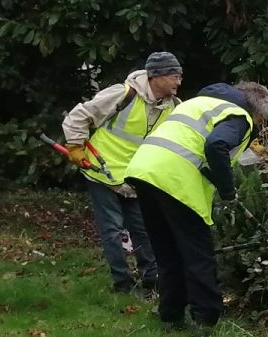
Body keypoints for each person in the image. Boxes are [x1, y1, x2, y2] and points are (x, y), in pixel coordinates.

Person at [123, 81, 268, 337]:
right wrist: (227, 190)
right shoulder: (239, 116)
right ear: (258, 113)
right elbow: (216, 145)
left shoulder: (198, 103)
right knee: (198, 254)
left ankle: (171, 316)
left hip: (144, 172)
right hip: (176, 181)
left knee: (167, 251)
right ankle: (206, 320)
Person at [60, 52, 184, 292]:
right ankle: (122, 284)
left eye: (180, 77)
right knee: (113, 232)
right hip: (102, 173)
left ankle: (151, 280)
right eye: (174, 76)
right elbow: (80, 115)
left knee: (144, 231)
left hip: (136, 178)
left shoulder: (174, 108)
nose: (178, 82)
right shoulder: (123, 94)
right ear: (156, 76)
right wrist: (75, 145)